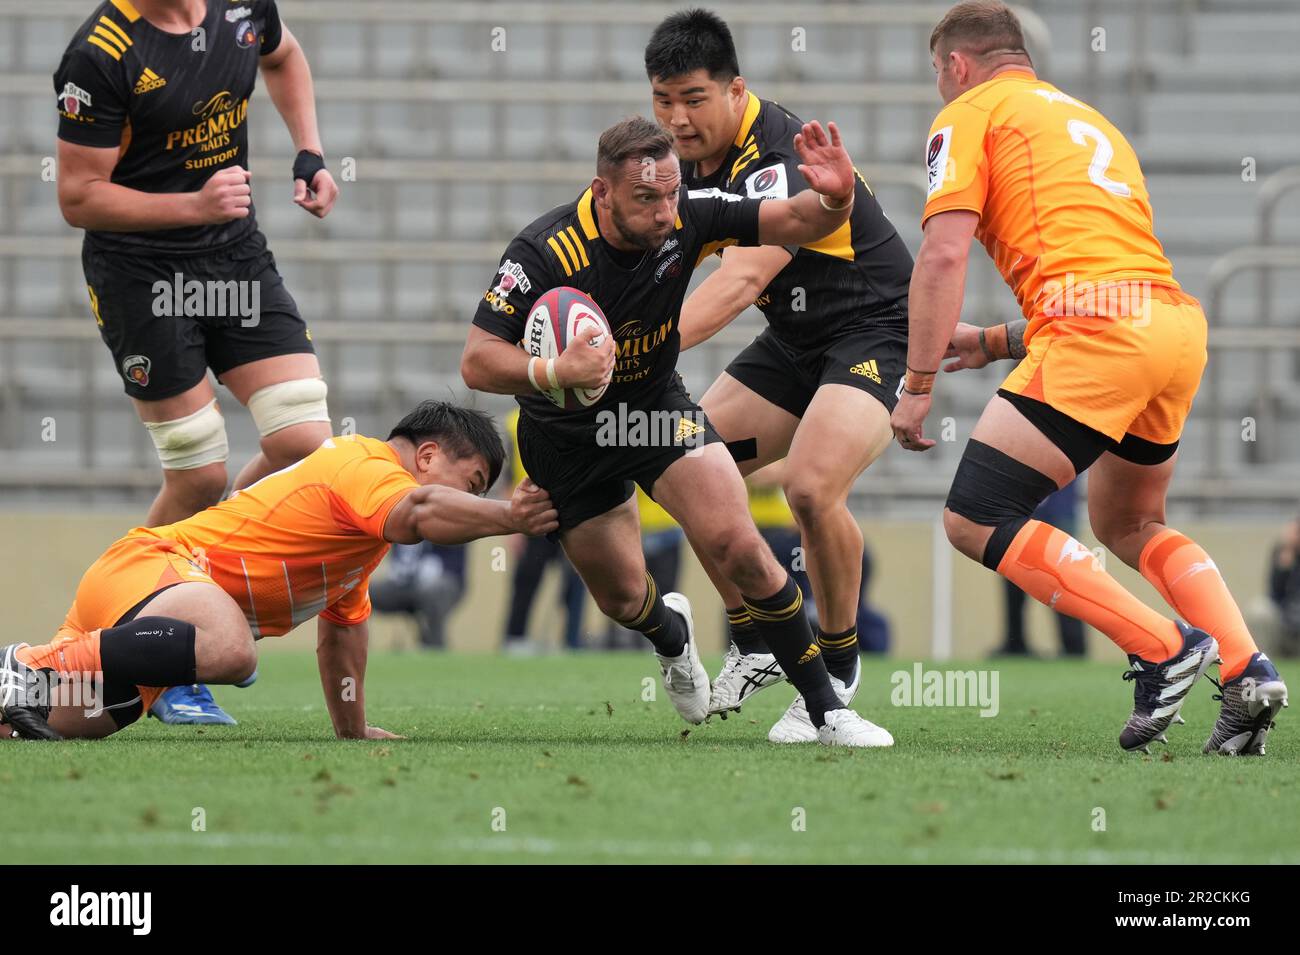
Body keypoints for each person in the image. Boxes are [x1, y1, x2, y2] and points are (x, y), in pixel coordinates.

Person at [890, 0, 1287, 755]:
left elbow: (943, 255)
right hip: (1171, 324)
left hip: (1097, 333)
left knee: (973, 514)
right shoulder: (1089, 119)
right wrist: (999, 339)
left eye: (939, 73)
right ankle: (1247, 669)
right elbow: (1109, 266)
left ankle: (1163, 646)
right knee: (1132, 523)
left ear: (956, 65)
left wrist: (916, 384)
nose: (941, 88)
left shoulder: (969, 111)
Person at [461, 115, 893, 746]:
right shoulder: (543, 252)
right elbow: (476, 360)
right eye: (646, 198)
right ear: (602, 192)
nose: (665, 212)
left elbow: (799, 222)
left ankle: (828, 711)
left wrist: (837, 196)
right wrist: (555, 368)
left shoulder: (690, 212)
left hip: (655, 413)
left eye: (670, 193)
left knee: (740, 546)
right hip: (567, 441)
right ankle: (670, 635)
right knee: (621, 599)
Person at [54, 0, 339, 723]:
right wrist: (196, 205)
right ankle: (138, 639)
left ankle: (197, 602)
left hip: (233, 255)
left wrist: (309, 150)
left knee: (306, 445)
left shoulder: (244, 7)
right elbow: (78, 196)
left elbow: (284, 56)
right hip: (140, 273)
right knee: (198, 472)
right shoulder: (100, 53)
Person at [645, 10, 913, 743]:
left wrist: (640, 348)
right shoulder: (687, 162)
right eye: (663, 100)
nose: (677, 118)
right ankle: (757, 637)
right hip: (795, 338)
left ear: (737, 90)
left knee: (808, 487)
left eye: (694, 99)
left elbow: (738, 281)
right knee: (683, 460)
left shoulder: (778, 156)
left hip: (873, 330)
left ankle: (839, 663)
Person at [0, 402, 557, 740]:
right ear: (429, 457)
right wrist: (508, 515)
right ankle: (24, 662)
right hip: (154, 566)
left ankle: (29, 678)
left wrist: (351, 727)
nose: (474, 499)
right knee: (233, 649)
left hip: (149, 607)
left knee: (76, 717)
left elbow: (342, 632)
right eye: (474, 482)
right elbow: (419, 512)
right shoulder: (365, 466)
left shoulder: (362, 529)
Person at [501, 408, 587, 652]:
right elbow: (508, 478)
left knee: (575, 582)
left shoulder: (575, 416)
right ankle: (515, 639)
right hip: (532, 518)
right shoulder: (512, 422)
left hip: (571, 516)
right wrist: (513, 526)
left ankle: (571, 641)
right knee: (526, 580)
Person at [996, 482, 1086, 657]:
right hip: (1026, 513)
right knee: (1013, 575)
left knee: (1062, 583)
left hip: (1055, 514)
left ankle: (1073, 647)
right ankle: (1015, 642)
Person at [370, 542, 468, 649]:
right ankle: (358, 650)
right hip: (404, 581)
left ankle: (434, 650)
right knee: (363, 592)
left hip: (442, 579)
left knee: (431, 592)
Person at [1268, 517, 1300, 657]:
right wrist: (1284, 567)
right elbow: (1274, 592)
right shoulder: (1283, 552)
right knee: (1260, 610)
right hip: (1284, 610)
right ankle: (1262, 663)